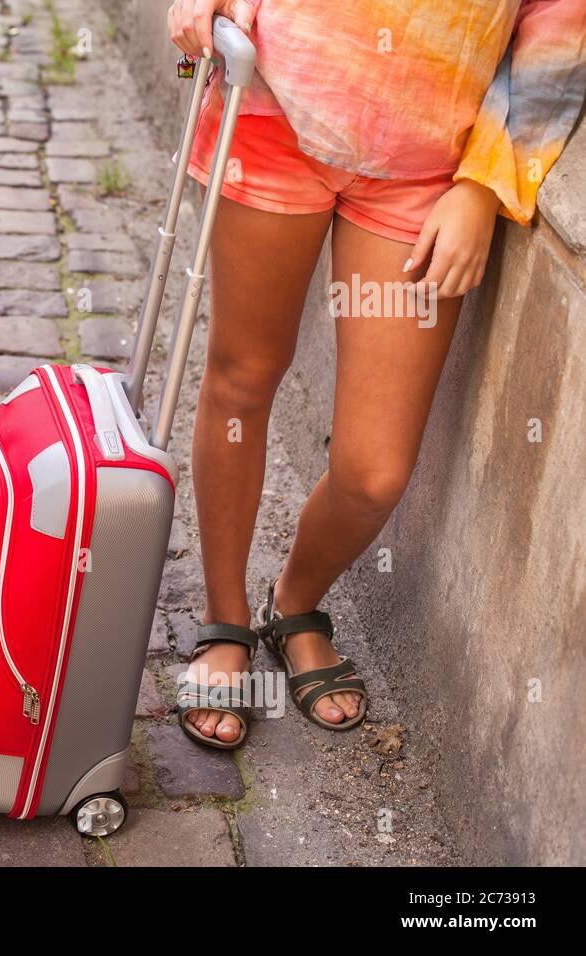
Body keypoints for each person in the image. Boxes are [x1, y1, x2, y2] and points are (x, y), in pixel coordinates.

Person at [169, 0, 586, 748]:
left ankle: (292, 601)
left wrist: (485, 185)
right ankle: (226, 619)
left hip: (427, 168)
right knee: (241, 381)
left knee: (374, 474)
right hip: (273, 106)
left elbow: (563, 20)